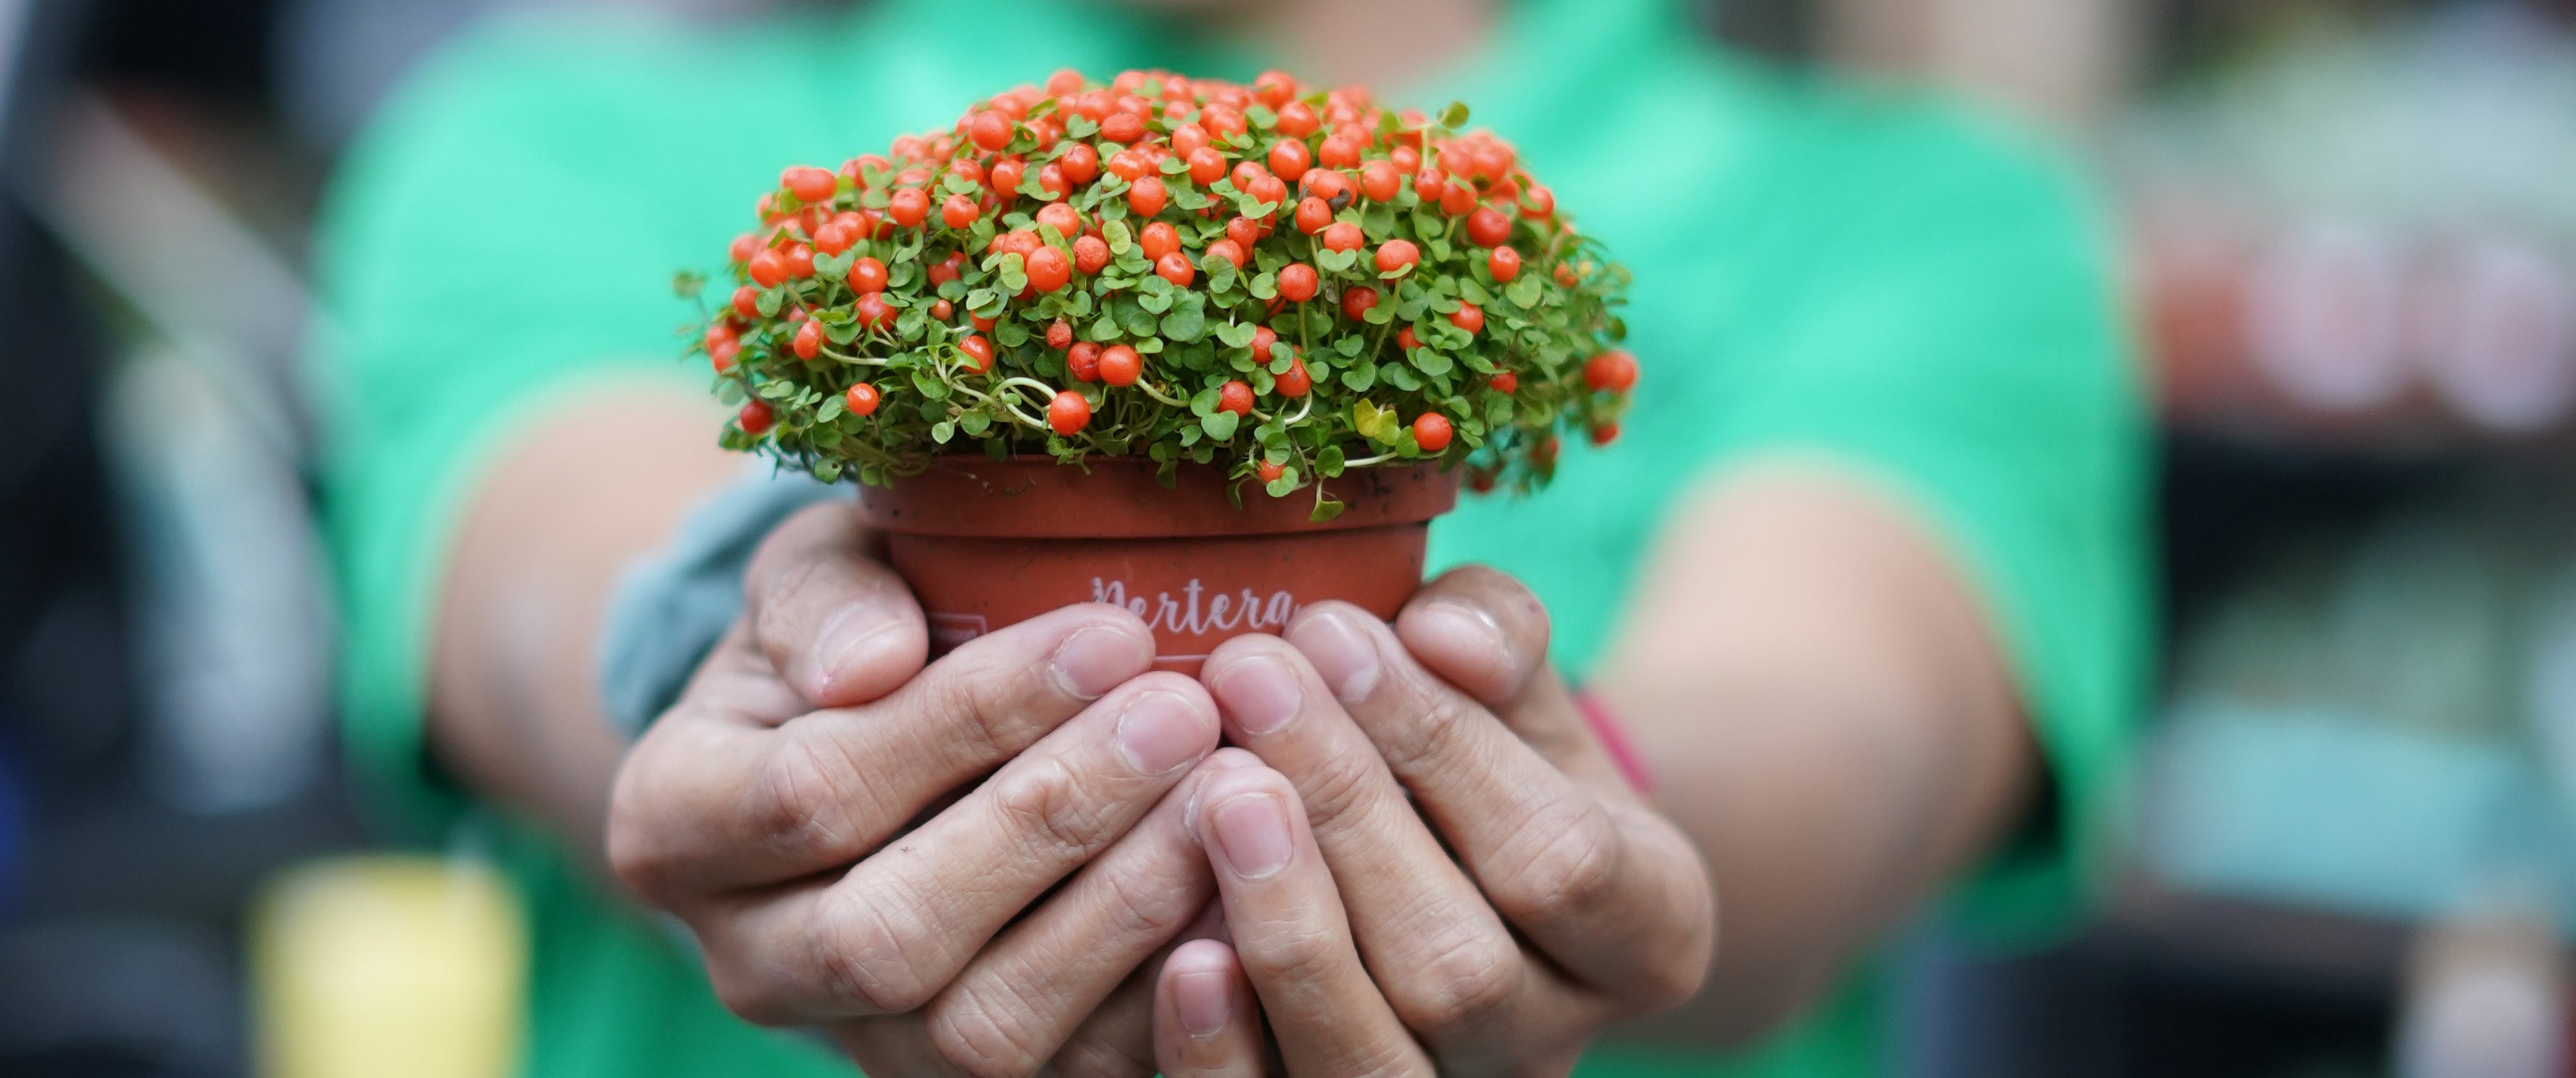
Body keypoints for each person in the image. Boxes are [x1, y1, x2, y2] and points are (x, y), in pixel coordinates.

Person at [309, 0, 2146, 1074]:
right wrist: (734, 655)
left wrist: (1569, 826)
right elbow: (536, 568)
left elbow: (1836, 720)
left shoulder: (1918, 211)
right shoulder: (559, 142)